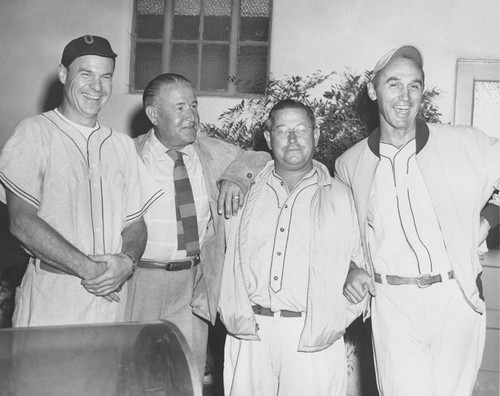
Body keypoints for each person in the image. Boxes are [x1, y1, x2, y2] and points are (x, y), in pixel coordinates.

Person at [337, 45, 500, 396]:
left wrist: (489, 219)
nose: (404, 96)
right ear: (372, 89)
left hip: (454, 296)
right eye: (393, 84)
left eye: (414, 85)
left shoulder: (463, 142)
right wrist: (352, 266)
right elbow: (345, 232)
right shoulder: (350, 164)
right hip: (393, 303)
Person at [0, 35, 163, 327]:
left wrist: (128, 261)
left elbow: (135, 223)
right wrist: (89, 269)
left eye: (106, 76)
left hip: (111, 300)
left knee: (108, 374)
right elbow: (21, 222)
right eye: (86, 74)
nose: (97, 87)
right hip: (54, 297)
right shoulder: (34, 133)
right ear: (63, 74)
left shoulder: (122, 145)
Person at [127, 73, 270, 385]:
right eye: (180, 108)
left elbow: (260, 158)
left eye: (193, 106)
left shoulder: (212, 153)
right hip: (140, 282)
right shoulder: (126, 154)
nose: (191, 116)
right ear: (153, 115)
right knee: (135, 379)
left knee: (186, 380)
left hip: (194, 285)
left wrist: (235, 176)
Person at [218, 99, 364, 396]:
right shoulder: (242, 190)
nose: (293, 139)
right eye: (283, 130)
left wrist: (340, 303)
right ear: (269, 138)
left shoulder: (343, 195)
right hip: (250, 334)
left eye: (301, 129)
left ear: (317, 135)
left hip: (311, 338)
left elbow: (358, 261)